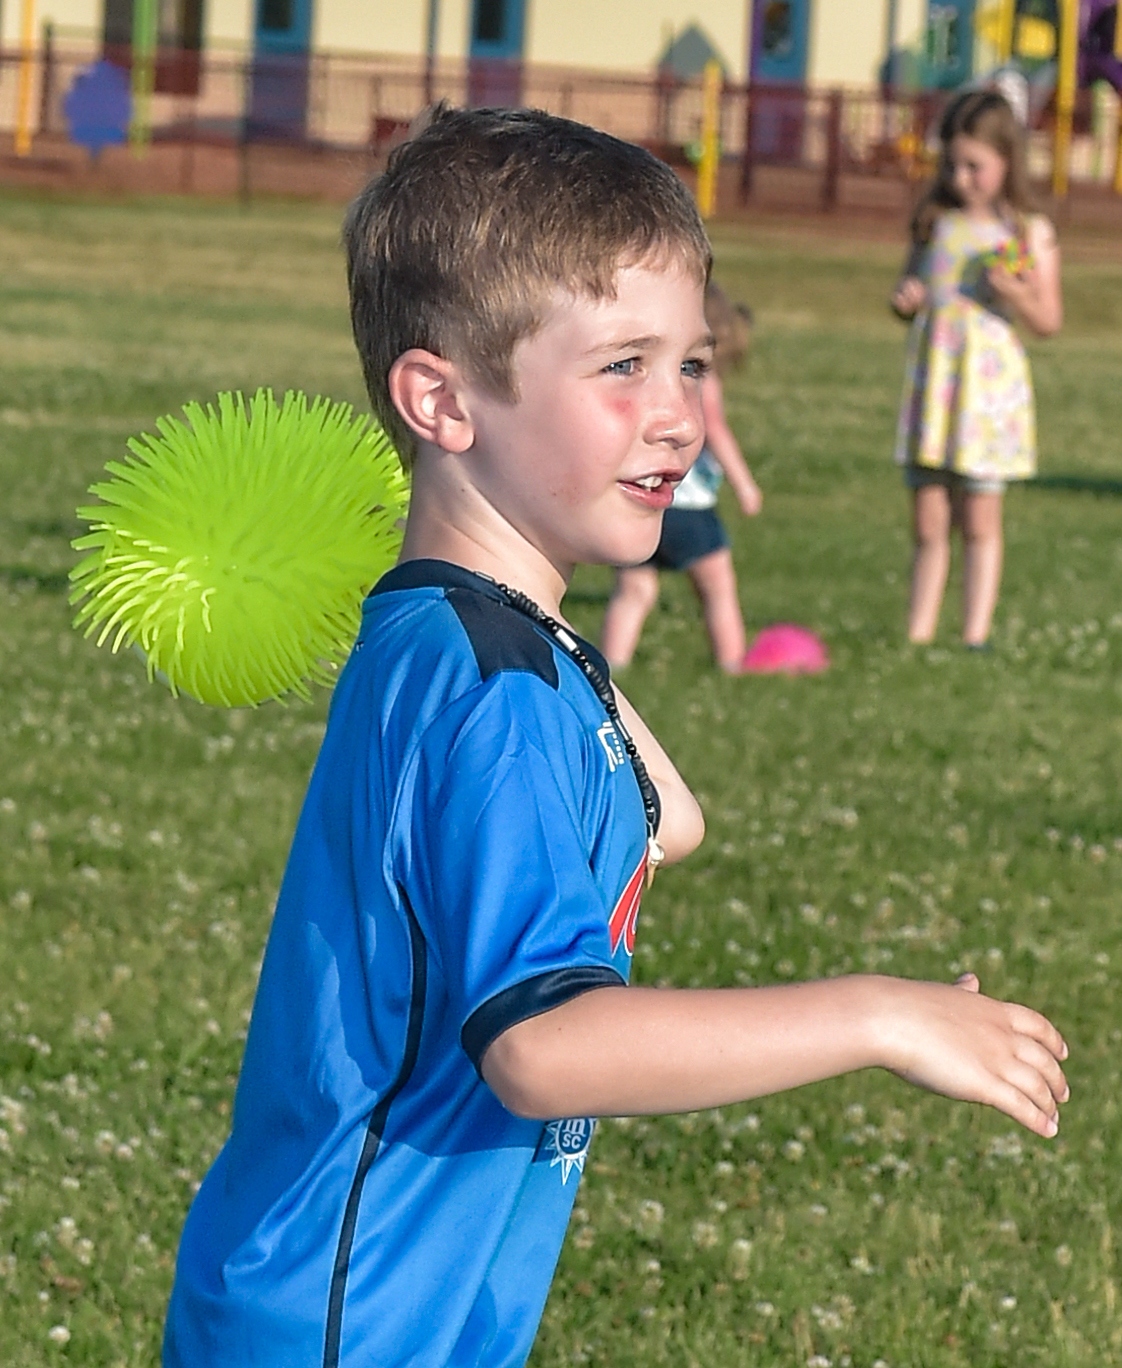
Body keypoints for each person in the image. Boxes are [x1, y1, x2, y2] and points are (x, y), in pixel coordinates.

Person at [164, 106, 1069, 1368]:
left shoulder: (483, 640)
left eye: (689, 363)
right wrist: (876, 1016)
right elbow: (543, 1048)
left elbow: (667, 821)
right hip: (353, 1321)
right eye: (623, 367)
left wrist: (540, 617)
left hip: (374, 1307)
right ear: (442, 398)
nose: (680, 416)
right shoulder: (492, 689)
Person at [891, 89, 1062, 648]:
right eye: (951, 164)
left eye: (975, 166)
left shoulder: (1026, 231)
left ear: (1008, 160)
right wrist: (905, 299)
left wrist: (1016, 292)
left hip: (985, 396)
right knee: (928, 518)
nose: (960, 177)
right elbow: (910, 287)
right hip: (936, 386)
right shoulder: (936, 223)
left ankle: (974, 634)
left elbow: (1049, 319)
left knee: (980, 520)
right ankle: (918, 633)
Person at [600, 282, 762, 672]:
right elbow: (716, 430)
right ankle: (732, 664)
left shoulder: (642, 373)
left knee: (634, 590)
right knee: (717, 587)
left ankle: (610, 667)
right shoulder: (701, 380)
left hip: (642, 494)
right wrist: (744, 484)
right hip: (688, 503)